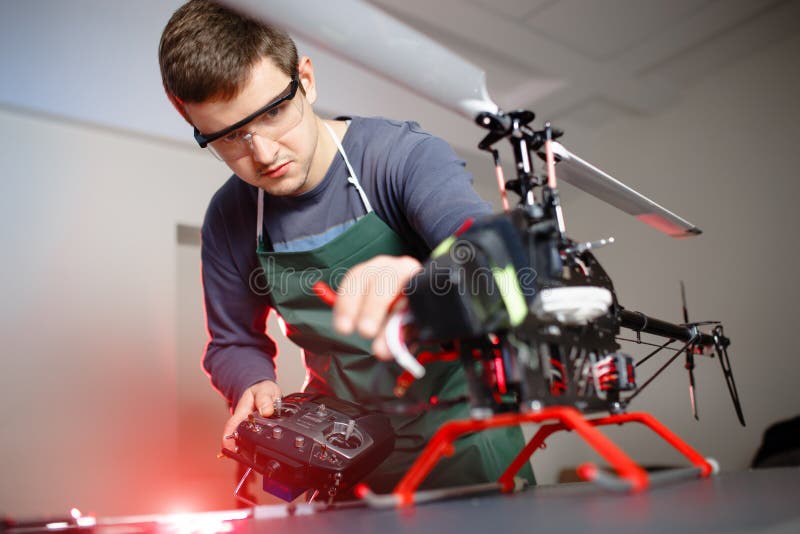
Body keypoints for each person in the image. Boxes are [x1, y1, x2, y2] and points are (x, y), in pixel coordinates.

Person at [158, 0, 534, 494]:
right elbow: (233, 341)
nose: (263, 154)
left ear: (306, 81)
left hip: (459, 435)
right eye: (230, 138)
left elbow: (495, 259)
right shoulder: (229, 217)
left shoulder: (400, 158)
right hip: (340, 447)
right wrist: (251, 383)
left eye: (273, 113)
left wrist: (418, 279)